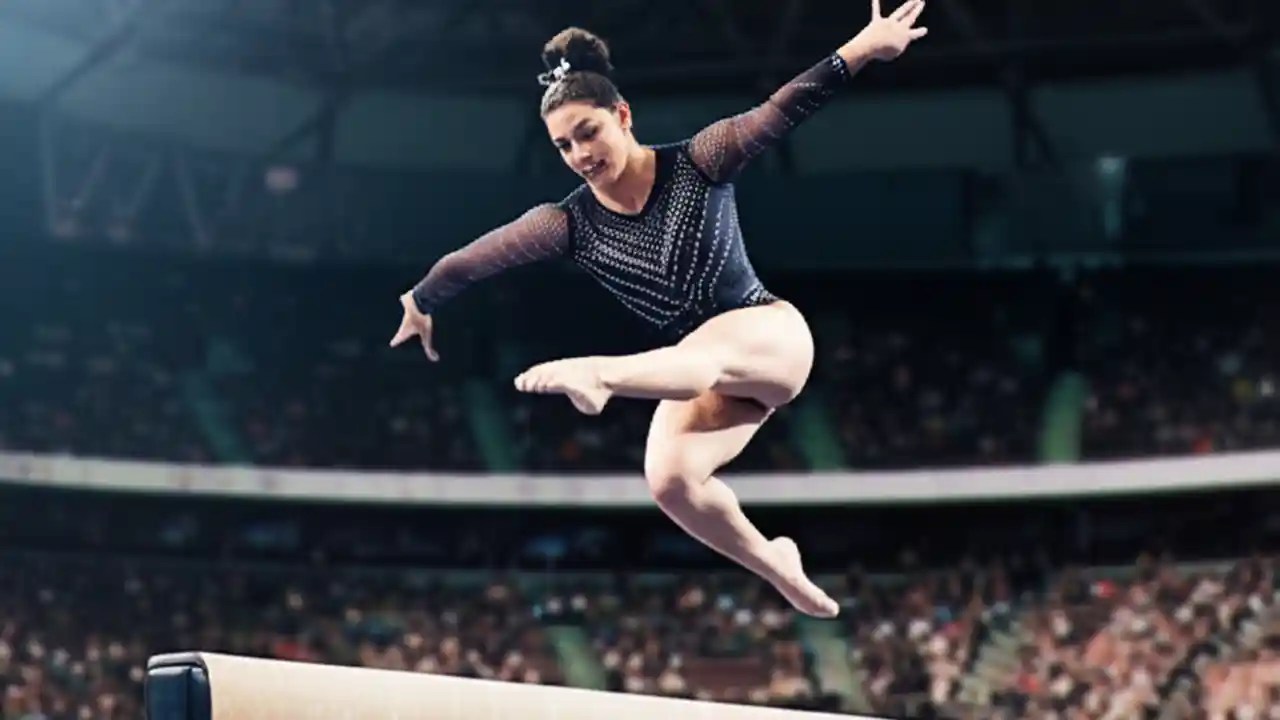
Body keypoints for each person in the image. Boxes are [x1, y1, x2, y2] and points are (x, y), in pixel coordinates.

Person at [391, 0, 928, 618]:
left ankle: (600, 372)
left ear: (622, 115)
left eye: (588, 132)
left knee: (695, 360)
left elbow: (779, 112)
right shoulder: (568, 224)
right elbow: (470, 261)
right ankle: (775, 561)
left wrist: (862, 47)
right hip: (702, 374)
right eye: (564, 145)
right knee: (670, 482)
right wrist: (421, 300)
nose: (580, 153)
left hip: (769, 338)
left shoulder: (699, 161)